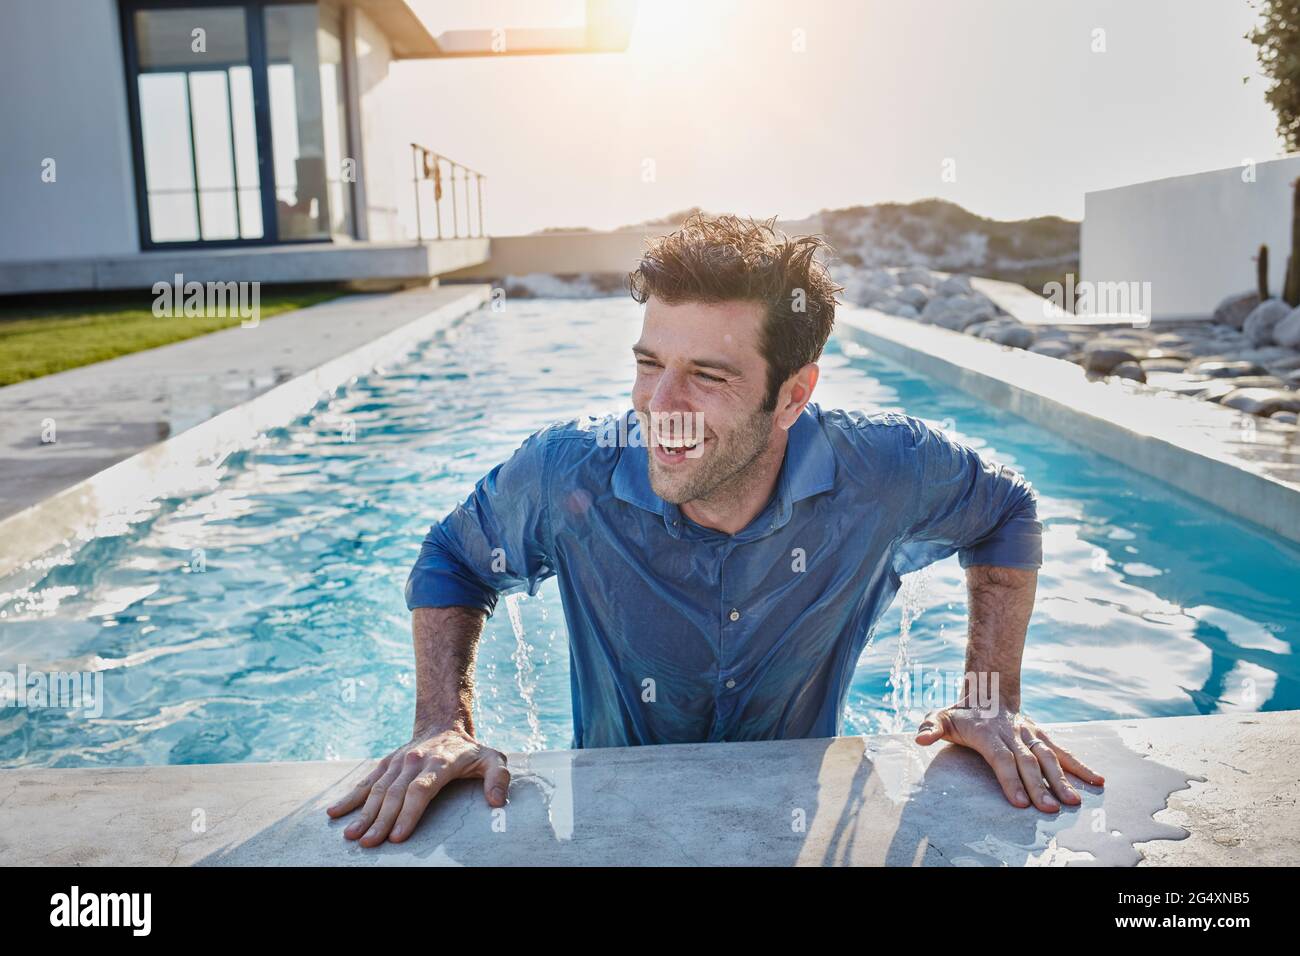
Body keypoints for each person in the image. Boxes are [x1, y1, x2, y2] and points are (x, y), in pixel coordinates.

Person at [327, 213, 1104, 847]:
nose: (660, 403)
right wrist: (441, 724)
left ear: (793, 396)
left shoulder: (882, 472)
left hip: (794, 823)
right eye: (648, 362)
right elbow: (452, 560)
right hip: (611, 831)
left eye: (708, 375)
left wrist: (990, 697)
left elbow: (1005, 510)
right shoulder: (572, 475)